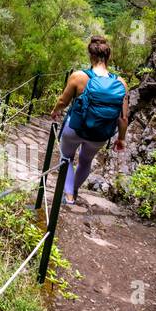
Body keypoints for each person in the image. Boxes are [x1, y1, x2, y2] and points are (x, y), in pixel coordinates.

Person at [50, 35, 128, 205]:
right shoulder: (121, 83)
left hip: (75, 128)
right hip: (100, 134)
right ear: (108, 57)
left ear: (90, 55)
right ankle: (75, 189)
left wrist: (55, 112)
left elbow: (63, 101)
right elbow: (123, 118)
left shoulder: (78, 76)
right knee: (86, 161)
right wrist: (121, 138)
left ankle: (68, 195)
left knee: (67, 158)